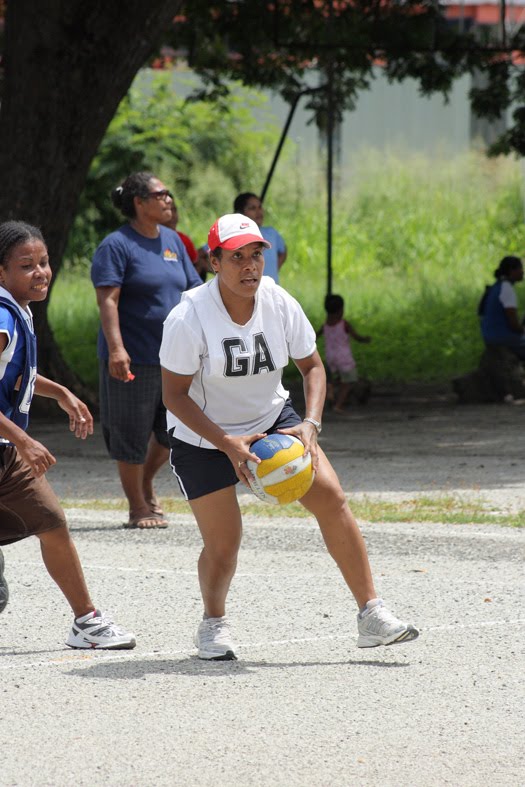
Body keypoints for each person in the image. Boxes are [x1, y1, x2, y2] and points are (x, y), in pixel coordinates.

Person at [160, 213, 419, 660]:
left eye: (256, 254)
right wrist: (227, 444)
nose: (249, 266)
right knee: (224, 544)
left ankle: (371, 614)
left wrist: (310, 424)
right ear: (213, 262)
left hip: (273, 419)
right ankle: (213, 623)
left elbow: (312, 366)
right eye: (236, 257)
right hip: (204, 438)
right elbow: (174, 396)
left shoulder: (279, 302)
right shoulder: (188, 317)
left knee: (333, 499)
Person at [0, 220, 135, 649]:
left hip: (4, 451)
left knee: (53, 522)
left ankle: (86, 622)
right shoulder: (2, 318)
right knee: (52, 523)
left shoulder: (18, 310)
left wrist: (61, 393)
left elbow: (17, 374)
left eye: (43, 262)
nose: (40, 272)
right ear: (1, 273)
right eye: (26, 266)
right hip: (9, 446)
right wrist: (23, 439)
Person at [91, 171, 202, 529]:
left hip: (173, 357)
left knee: (171, 434)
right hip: (134, 357)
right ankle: (138, 506)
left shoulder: (172, 241)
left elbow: (194, 288)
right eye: (161, 194)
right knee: (130, 433)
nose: (169, 199)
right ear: (139, 203)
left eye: (168, 194)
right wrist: (116, 349)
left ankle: (146, 482)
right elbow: (108, 300)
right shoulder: (117, 245)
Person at [317, 293, 371, 413]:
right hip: (344, 358)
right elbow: (357, 337)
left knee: (335, 378)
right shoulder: (344, 324)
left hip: (330, 357)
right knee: (349, 381)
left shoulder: (325, 325)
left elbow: (315, 336)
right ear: (341, 310)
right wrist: (365, 339)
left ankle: (330, 390)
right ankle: (339, 405)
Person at [233, 192, 287, 283]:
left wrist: (274, 269)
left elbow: (283, 251)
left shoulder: (271, 232)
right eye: (252, 208)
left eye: (260, 207)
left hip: (270, 293)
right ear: (239, 213)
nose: (259, 212)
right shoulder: (232, 235)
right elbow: (204, 253)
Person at [479, 255, 525, 359]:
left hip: (489, 335)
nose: (522, 271)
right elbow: (513, 324)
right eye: (520, 268)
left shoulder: (497, 286)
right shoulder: (507, 289)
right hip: (501, 337)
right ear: (511, 270)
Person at [161, 201, 208, 281]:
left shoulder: (183, 240)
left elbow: (195, 267)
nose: (173, 216)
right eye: (167, 210)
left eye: (174, 210)